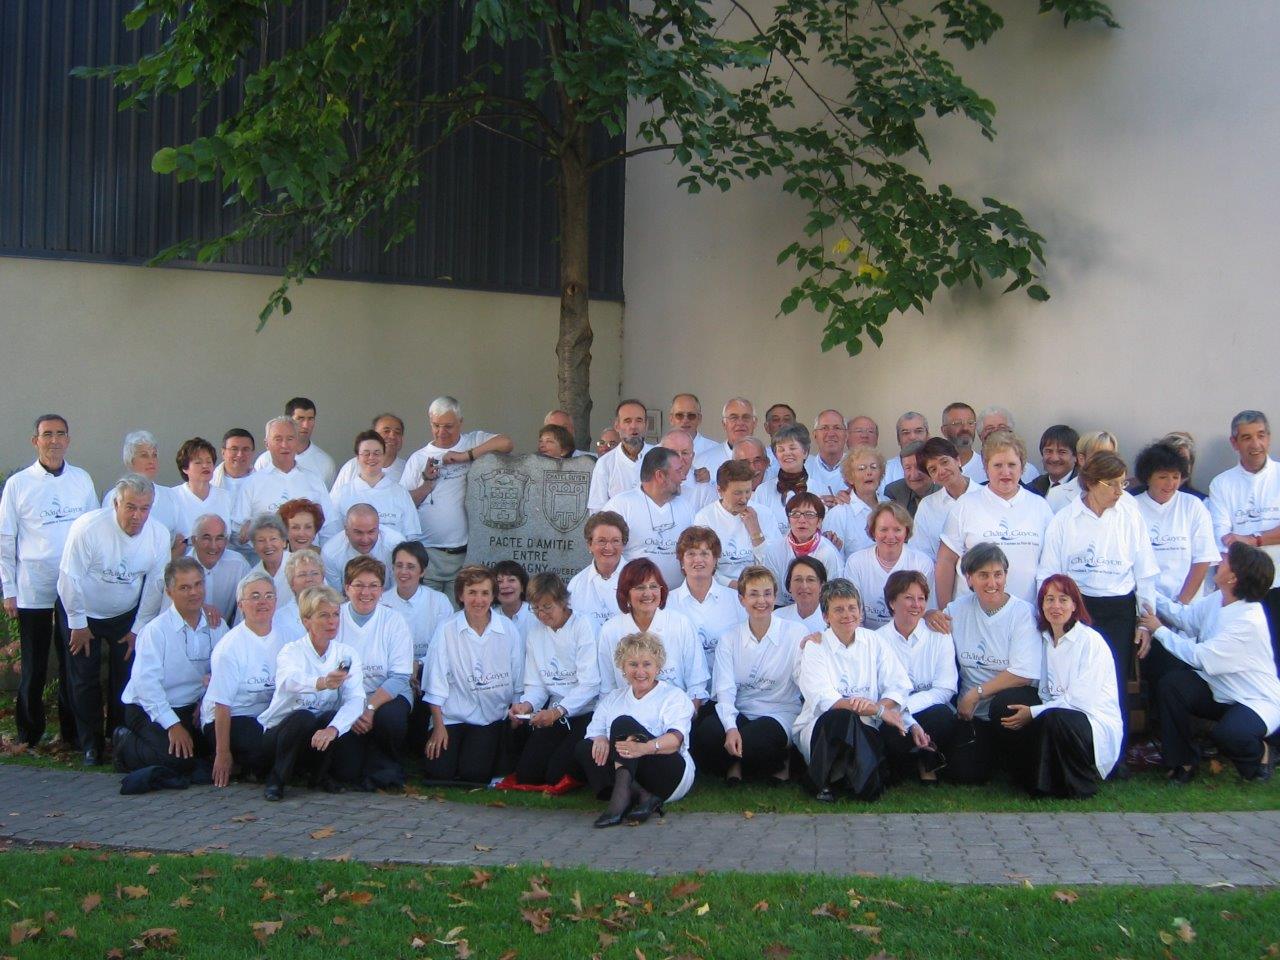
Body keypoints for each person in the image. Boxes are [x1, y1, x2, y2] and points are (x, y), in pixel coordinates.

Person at [1038, 451, 1158, 761]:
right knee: (1073, 679)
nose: (1121, 491)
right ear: (1091, 483)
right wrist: (1053, 614)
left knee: (1114, 679)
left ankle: (1115, 757)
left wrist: (1145, 621)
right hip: (1077, 608)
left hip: (1118, 607)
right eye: (1114, 484)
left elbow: (1145, 571)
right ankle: (1075, 752)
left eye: (1124, 483)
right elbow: (1049, 572)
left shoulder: (1130, 516)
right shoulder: (1065, 520)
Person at [1140, 542, 1280, 783]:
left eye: (1226, 560)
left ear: (1233, 577)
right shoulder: (1219, 599)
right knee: (1172, 685)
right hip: (1219, 689)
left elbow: (1200, 657)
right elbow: (1184, 617)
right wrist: (1145, 590)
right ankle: (1182, 762)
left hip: (1253, 700)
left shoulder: (1248, 620)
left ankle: (1261, 755)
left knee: (1230, 735)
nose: (1219, 561)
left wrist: (1159, 630)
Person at [57, 474, 169, 765]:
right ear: (116, 503)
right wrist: (78, 623)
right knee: (84, 677)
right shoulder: (89, 528)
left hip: (126, 614)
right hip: (83, 611)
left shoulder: (158, 535)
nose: (138, 515)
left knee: (126, 675)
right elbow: (69, 578)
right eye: (131, 507)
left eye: (145, 508)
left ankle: (117, 734)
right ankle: (90, 744)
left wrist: (139, 629)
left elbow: (156, 584)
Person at [1, 413, 97, 748]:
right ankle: (29, 733)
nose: (54, 440)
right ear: (35, 441)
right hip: (32, 586)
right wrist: (9, 590)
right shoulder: (18, 484)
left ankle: (70, 734)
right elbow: (5, 538)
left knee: (71, 660)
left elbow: (92, 531)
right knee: (35, 664)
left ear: (68, 440)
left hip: (72, 585)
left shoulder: (82, 480)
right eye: (47, 434)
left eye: (60, 434)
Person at [792, 579, 915, 802]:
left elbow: (898, 684)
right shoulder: (815, 647)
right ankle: (829, 781)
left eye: (852, 608)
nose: (847, 615)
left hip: (868, 725)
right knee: (841, 717)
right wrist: (876, 711)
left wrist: (880, 708)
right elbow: (825, 700)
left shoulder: (874, 641)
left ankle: (847, 778)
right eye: (838, 609)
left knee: (887, 733)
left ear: (860, 611)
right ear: (825, 617)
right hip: (824, 729)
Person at [1000, 575, 1121, 797]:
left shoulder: (1090, 642)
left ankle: (1079, 787)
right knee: (1007, 704)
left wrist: (1033, 712)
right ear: (1042, 605)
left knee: (1056, 718)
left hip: (1092, 722)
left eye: (1063, 600)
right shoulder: (1043, 640)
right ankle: (1025, 778)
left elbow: (1080, 701)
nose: (1056, 606)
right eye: (1050, 599)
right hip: (1054, 711)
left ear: (1075, 605)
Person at [933, 543, 1041, 784]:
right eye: (983, 575)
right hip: (971, 714)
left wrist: (976, 694)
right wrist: (929, 616)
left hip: (1008, 704)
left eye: (998, 574)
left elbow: (1022, 673)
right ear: (968, 578)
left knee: (1004, 705)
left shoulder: (1023, 613)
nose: (992, 583)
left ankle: (1012, 756)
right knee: (964, 774)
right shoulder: (956, 610)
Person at [114, 557, 228, 774]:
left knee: (205, 757)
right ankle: (124, 744)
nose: (194, 592)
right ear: (169, 592)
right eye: (184, 587)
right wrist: (172, 725)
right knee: (179, 761)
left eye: (197, 584)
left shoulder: (218, 625)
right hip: (148, 708)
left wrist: (205, 700)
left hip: (193, 708)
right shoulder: (155, 631)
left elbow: (223, 671)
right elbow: (147, 686)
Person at [693, 566, 805, 785]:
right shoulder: (729, 638)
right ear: (742, 599)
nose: (761, 600)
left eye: (767, 593)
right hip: (741, 710)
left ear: (775, 596)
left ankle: (767, 760)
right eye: (753, 594)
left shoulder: (796, 633)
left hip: (779, 712)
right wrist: (731, 727)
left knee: (754, 742)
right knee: (708, 734)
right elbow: (725, 691)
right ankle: (750, 762)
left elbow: (804, 679)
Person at [576, 631, 696, 827]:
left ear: (658, 666)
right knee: (585, 748)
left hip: (669, 772)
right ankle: (642, 795)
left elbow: (675, 741)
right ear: (622, 668)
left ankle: (618, 804)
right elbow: (594, 732)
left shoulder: (674, 696)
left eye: (647, 664)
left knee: (622, 723)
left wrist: (644, 748)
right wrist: (600, 739)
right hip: (634, 771)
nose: (640, 671)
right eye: (633, 664)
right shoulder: (613, 698)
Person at [257, 584, 365, 800]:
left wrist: (333, 729)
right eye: (324, 615)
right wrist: (322, 682)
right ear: (306, 621)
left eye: (335, 614)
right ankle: (277, 780)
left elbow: (356, 698)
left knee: (331, 718)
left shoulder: (347, 654)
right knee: (303, 717)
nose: (332, 621)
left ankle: (318, 776)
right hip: (279, 735)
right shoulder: (291, 651)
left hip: (316, 734)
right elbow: (290, 681)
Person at [421, 565, 524, 784]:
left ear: (493, 596)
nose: (479, 600)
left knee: (474, 774)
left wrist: (516, 710)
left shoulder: (507, 629)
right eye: (472, 592)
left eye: (485, 593)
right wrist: (438, 727)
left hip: (491, 718)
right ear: (460, 595)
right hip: (452, 716)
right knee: (439, 772)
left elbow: (518, 678)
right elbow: (435, 682)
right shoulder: (446, 629)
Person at [401, 396, 514, 594]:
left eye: (448, 426)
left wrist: (465, 456)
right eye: (436, 425)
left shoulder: (473, 441)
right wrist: (427, 483)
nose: (441, 432)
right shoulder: (418, 458)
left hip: (464, 553)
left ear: (460, 422)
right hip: (428, 552)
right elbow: (402, 504)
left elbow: (506, 443)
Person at [936, 430, 1052, 607]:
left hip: (1026, 616)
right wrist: (945, 610)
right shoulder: (965, 506)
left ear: (1022, 466)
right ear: (985, 467)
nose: (1005, 472)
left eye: (1012, 464)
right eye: (998, 465)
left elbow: (1050, 564)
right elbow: (946, 561)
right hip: (973, 614)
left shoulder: (1040, 507)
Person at [330, 556, 415, 791]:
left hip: (387, 696)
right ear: (347, 588)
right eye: (358, 585)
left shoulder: (394, 620)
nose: (366, 592)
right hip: (346, 697)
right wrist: (355, 707)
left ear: (381, 589)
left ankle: (389, 767)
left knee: (390, 718)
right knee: (346, 771)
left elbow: (400, 677)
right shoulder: (334, 618)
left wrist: (368, 708)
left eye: (373, 585)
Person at [508, 572, 600, 785]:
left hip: (585, 711)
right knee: (528, 774)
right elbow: (536, 683)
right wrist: (527, 705)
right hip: (553, 712)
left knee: (555, 775)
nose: (541, 614)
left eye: (547, 607)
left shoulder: (583, 625)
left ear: (563, 601)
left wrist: (558, 711)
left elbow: (590, 683)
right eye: (536, 608)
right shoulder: (535, 633)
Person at [1206, 410, 1280, 668]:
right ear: (1234, 443)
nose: (1255, 444)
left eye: (1261, 436)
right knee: (1251, 663)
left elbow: (1238, 540)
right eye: (1246, 438)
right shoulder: (1222, 484)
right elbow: (1223, 539)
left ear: (1269, 438)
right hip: (1244, 590)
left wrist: (1254, 539)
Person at [201, 570, 284, 787]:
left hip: (266, 716)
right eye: (254, 597)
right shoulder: (230, 647)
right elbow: (222, 705)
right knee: (262, 748)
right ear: (241, 605)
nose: (263, 602)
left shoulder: (286, 637)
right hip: (231, 717)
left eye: (268, 596)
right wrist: (222, 753)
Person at [874, 571, 956, 784]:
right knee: (890, 729)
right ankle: (908, 762)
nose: (916, 605)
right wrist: (907, 720)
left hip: (924, 710)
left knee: (942, 716)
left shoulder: (940, 636)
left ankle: (926, 759)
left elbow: (946, 689)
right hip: (893, 714)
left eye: (921, 599)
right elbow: (880, 694)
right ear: (892, 602)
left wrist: (907, 706)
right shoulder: (877, 640)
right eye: (908, 598)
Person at [596, 559, 708, 704]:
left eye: (653, 586)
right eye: (640, 587)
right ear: (626, 593)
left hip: (675, 715)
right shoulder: (610, 630)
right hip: (628, 715)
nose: (648, 593)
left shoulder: (681, 624)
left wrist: (682, 722)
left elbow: (696, 685)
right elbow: (608, 689)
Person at [385, 540, 454, 754]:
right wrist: (406, 666)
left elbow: (445, 645)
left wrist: (419, 664)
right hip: (393, 669)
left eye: (411, 566)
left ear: (422, 571)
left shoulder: (439, 601)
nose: (403, 571)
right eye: (399, 565)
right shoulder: (382, 601)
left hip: (428, 668)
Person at [231, 417, 338, 548]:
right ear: (267, 444)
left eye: (290, 439)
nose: (284, 445)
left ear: (297, 441)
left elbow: (330, 529)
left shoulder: (313, 480)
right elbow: (237, 533)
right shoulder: (252, 483)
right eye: (278, 439)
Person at [1133, 443, 1219, 604]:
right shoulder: (1131, 507)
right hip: (1143, 606)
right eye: (1163, 477)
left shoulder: (1193, 505)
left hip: (1186, 606)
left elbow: (1203, 559)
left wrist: (1180, 605)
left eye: (1175, 477)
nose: (1170, 483)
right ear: (1147, 477)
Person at [602, 446, 695, 589]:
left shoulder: (686, 507)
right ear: (660, 476)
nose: (683, 477)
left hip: (676, 601)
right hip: (635, 599)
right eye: (678, 471)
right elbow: (605, 554)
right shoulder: (620, 506)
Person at [668, 526, 747, 676]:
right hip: (684, 693)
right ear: (681, 562)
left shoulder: (736, 601)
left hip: (728, 690)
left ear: (715, 560)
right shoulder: (667, 603)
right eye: (691, 554)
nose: (698, 560)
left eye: (705, 553)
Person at [843, 502, 935, 630]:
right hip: (869, 640)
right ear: (873, 531)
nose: (890, 536)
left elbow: (925, 611)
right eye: (883, 529)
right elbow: (855, 615)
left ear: (906, 531)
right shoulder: (856, 562)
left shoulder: (922, 563)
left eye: (897, 530)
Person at [330, 431, 422, 538]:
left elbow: (412, 535)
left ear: (383, 456)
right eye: (366, 453)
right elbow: (332, 534)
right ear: (357, 458)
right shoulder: (341, 494)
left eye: (377, 453)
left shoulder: (400, 493)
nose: (371, 457)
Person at [693, 459, 769, 587]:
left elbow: (771, 562)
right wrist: (732, 585)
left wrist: (756, 532)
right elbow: (702, 564)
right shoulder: (705, 518)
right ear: (720, 491)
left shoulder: (763, 513)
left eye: (747, 491)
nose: (744, 499)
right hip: (720, 591)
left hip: (756, 590)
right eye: (737, 493)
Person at [103, 431, 182, 551]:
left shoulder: (171, 496)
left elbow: (180, 540)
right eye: (144, 455)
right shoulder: (114, 496)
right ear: (130, 461)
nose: (151, 461)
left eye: (154, 455)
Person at [760, 492, 841, 605]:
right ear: (789, 520)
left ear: (820, 522)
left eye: (809, 514)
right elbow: (774, 597)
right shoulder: (774, 550)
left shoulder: (829, 553)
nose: (802, 520)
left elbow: (833, 596)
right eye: (795, 514)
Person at [913, 437, 975, 561]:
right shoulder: (927, 506)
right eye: (933, 469)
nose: (941, 471)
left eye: (944, 462)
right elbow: (920, 552)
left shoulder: (985, 495)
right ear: (931, 477)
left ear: (957, 460)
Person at [568, 511, 629, 634]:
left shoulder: (638, 579)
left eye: (615, 541)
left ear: (623, 544)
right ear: (590, 545)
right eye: (601, 541)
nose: (609, 547)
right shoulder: (576, 584)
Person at [254, 397, 337, 487]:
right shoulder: (265, 460)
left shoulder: (325, 463)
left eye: (310, 419)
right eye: (300, 419)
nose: (306, 425)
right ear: (288, 420)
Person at [587, 399, 653, 510]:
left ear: (646, 425)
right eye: (627, 421)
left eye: (639, 420)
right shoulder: (605, 463)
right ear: (617, 426)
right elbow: (597, 509)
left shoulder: (660, 456)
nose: (633, 426)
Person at [821, 445, 884, 560]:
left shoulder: (890, 505)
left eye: (874, 467)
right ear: (850, 478)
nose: (869, 472)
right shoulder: (839, 513)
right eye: (861, 468)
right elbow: (833, 559)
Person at [320, 503, 402, 589]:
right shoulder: (330, 553)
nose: (365, 540)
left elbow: (398, 591)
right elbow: (336, 595)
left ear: (379, 529)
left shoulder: (395, 545)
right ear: (346, 530)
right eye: (358, 532)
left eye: (371, 532)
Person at [750, 425, 810, 540]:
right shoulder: (763, 491)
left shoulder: (819, 489)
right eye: (781, 449)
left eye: (792, 448)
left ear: (805, 452)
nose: (787, 453)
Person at [187, 514, 249, 625]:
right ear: (194, 540)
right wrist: (198, 609)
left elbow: (246, 608)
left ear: (226, 541)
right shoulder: (181, 570)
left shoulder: (239, 565)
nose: (213, 546)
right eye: (207, 538)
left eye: (219, 538)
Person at [170, 437, 233, 544]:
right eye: (198, 462)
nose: (205, 466)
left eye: (209, 461)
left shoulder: (225, 497)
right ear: (185, 468)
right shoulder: (172, 496)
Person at [1047, 430, 1119, 514]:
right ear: (1081, 459)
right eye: (1099, 457)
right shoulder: (1055, 496)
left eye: (1110, 457)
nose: (1106, 462)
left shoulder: (1126, 499)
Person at [332, 413, 408, 489]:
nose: (392, 436)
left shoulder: (407, 469)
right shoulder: (352, 466)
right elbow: (334, 499)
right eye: (386, 431)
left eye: (397, 432)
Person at [968, 407, 1040, 485]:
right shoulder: (971, 468)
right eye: (989, 428)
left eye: (1002, 427)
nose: (996, 431)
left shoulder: (1030, 471)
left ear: (1011, 432)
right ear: (980, 436)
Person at [696, 397, 759, 477]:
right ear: (724, 424)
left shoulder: (768, 461)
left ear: (755, 423)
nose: (740, 423)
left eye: (746, 417)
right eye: (734, 418)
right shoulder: (703, 462)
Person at [272, 548, 324, 643]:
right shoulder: (278, 618)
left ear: (323, 579)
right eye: (302, 575)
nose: (309, 579)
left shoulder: (338, 612)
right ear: (291, 583)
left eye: (315, 573)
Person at [661, 428, 715, 511]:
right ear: (661, 455)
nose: (679, 458)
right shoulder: (650, 485)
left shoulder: (705, 491)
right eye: (673, 453)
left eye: (685, 453)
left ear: (692, 456)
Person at [776, 556, 830, 634]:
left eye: (810, 580)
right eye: (798, 579)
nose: (804, 586)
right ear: (790, 585)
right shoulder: (777, 618)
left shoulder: (833, 619)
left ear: (822, 585)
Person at [878, 412, 930, 493]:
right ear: (898, 439)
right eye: (905, 433)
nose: (912, 437)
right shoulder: (886, 470)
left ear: (928, 435)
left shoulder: (941, 465)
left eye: (918, 431)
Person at [805, 409, 849, 503]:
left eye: (837, 428)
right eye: (824, 428)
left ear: (846, 435)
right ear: (815, 435)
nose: (831, 434)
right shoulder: (803, 468)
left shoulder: (858, 467)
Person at [882, 441, 938, 515]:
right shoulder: (893, 492)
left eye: (919, 466)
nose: (914, 475)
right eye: (908, 468)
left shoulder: (945, 489)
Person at [669, 393, 722, 469]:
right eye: (679, 415)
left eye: (691, 415)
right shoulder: (657, 452)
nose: (685, 420)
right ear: (671, 419)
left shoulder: (716, 452)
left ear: (699, 419)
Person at [1028, 425, 1080, 497]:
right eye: (1048, 451)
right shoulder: (1033, 487)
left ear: (1076, 457)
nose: (1054, 458)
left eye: (1062, 452)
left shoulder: (1084, 489)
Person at [247, 513, 291, 597]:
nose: (268, 545)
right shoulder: (251, 579)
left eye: (273, 539)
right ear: (254, 546)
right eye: (261, 540)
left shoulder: (302, 565)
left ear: (284, 542)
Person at [1155, 431, 1207, 500]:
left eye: (1184, 461)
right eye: (1171, 460)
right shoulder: (1137, 498)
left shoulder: (1201, 502)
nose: (1178, 466)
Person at [494, 559, 536, 639]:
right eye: (499, 581)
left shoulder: (536, 614)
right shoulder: (489, 616)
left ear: (522, 587)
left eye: (511, 580)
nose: (505, 585)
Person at [939, 402, 980, 480]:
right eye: (957, 423)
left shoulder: (986, 467)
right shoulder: (937, 470)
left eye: (970, 423)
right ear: (944, 430)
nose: (965, 428)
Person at [212, 428, 256, 497]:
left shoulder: (263, 484)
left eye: (245, 449)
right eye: (234, 449)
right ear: (223, 452)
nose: (240, 454)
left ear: (252, 453)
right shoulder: (208, 482)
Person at [763, 403, 798, 471]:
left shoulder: (807, 459)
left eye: (786, 419)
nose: (781, 424)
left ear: (795, 425)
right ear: (767, 427)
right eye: (776, 420)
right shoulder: (760, 458)